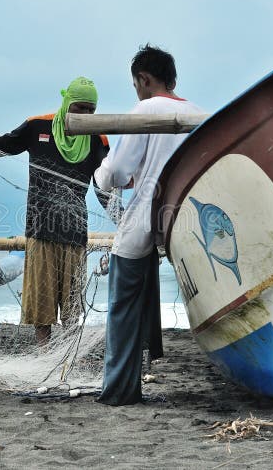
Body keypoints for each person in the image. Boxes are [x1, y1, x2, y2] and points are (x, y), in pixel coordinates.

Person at [0, 77, 111, 346]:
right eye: (80, 108)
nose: (86, 115)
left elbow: (103, 188)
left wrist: (126, 221)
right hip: (40, 230)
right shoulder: (37, 126)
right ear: (67, 104)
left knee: (71, 309)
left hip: (75, 233)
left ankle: (65, 356)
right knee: (41, 306)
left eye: (91, 110)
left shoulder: (98, 138)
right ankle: (44, 354)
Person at [94, 44, 205, 405]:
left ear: (144, 79)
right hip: (190, 220)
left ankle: (120, 390)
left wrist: (100, 177)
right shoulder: (198, 114)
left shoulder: (145, 109)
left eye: (136, 85)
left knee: (124, 305)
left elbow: (116, 172)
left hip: (144, 219)